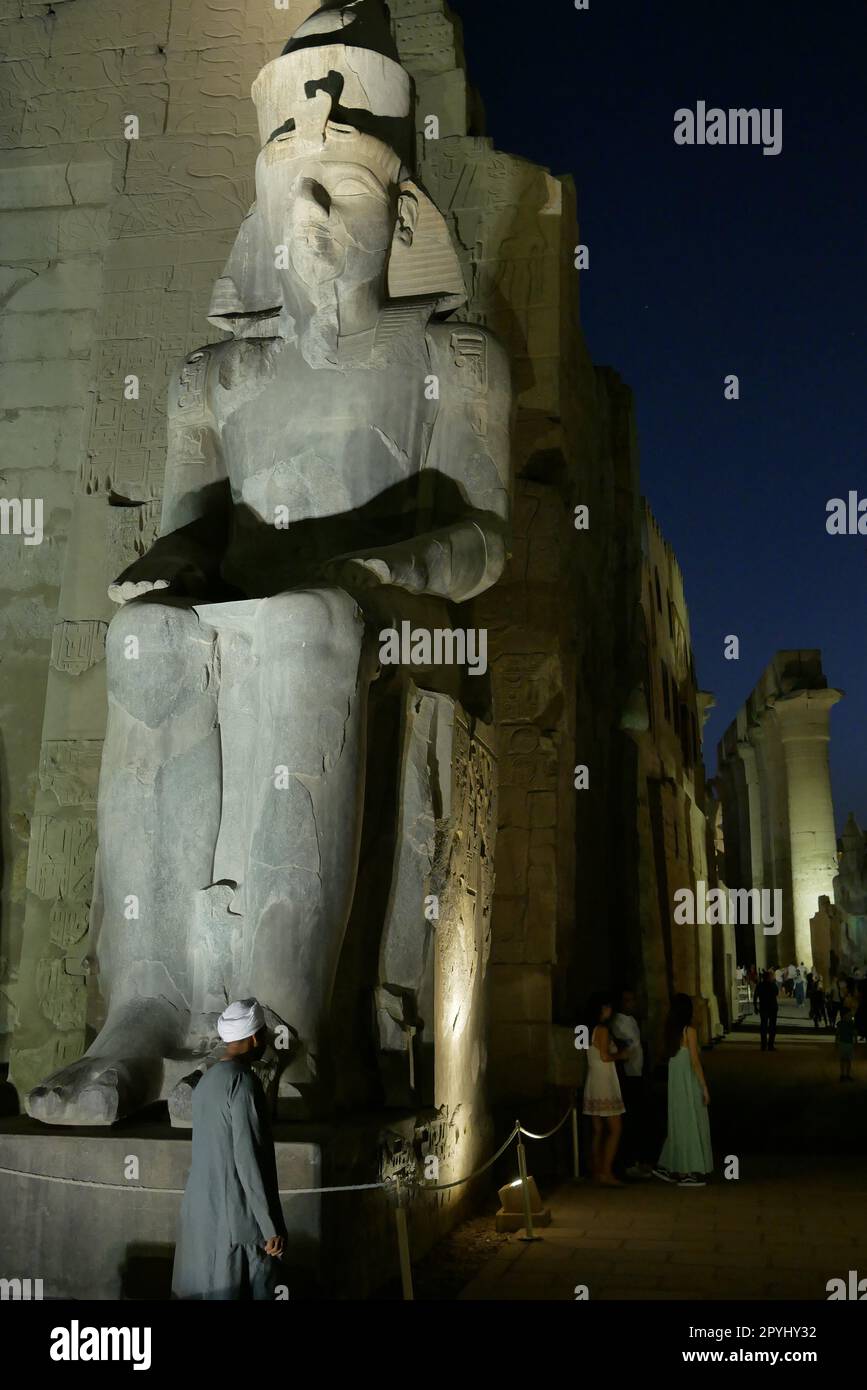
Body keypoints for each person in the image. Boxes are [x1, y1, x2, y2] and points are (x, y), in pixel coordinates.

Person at [172, 999, 288, 1299]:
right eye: (263, 1035)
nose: (264, 1042)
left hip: (203, 1212)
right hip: (239, 1217)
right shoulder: (244, 1083)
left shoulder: (207, 1081)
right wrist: (270, 1224)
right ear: (254, 1037)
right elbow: (248, 1158)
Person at [652, 994, 712, 1187]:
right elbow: (695, 1061)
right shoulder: (689, 1031)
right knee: (691, 1122)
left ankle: (669, 1165)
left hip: (676, 1083)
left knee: (678, 1123)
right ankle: (688, 1171)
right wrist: (704, 1087)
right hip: (688, 1082)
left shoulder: (671, 1031)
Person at [581, 993, 628, 1187]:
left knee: (598, 1129)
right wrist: (621, 1055)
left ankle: (597, 1170)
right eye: (607, 1007)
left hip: (593, 1079)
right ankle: (606, 1171)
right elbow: (605, 1056)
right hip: (604, 1081)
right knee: (615, 1128)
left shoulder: (586, 1030)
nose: (610, 1011)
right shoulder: (602, 1029)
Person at [612, 989, 651, 1179]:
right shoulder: (617, 1023)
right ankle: (628, 1164)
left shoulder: (633, 1021)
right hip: (626, 1077)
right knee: (629, 1120)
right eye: (627, 1000)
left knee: (638, 1119)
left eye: (633, 999)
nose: (631, 1003)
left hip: (637, 1074)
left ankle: (636, 1161)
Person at [754, 968, 779, 1050]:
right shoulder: (773, 984)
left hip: (763, 1007)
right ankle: (770, 1045)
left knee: (763, 1026)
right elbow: (776, 993)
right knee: (772, 1027)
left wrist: (755, 1006)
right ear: (769, 977)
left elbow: (755, 996)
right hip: (772, 1008)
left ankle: (763, 1045)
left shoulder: (760, 985)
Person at [835, 1006, 856, 1082]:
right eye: (849, 1015)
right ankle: (844, 1075)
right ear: (845, 1015)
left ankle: (845, 1075)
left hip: (846, 1043)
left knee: (847, 1060)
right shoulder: (848, 1024)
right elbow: (837, 1034)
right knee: (845, 1060)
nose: (851, 1016)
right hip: (845, 1043)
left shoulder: (842, 1023)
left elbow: (837, 1034)